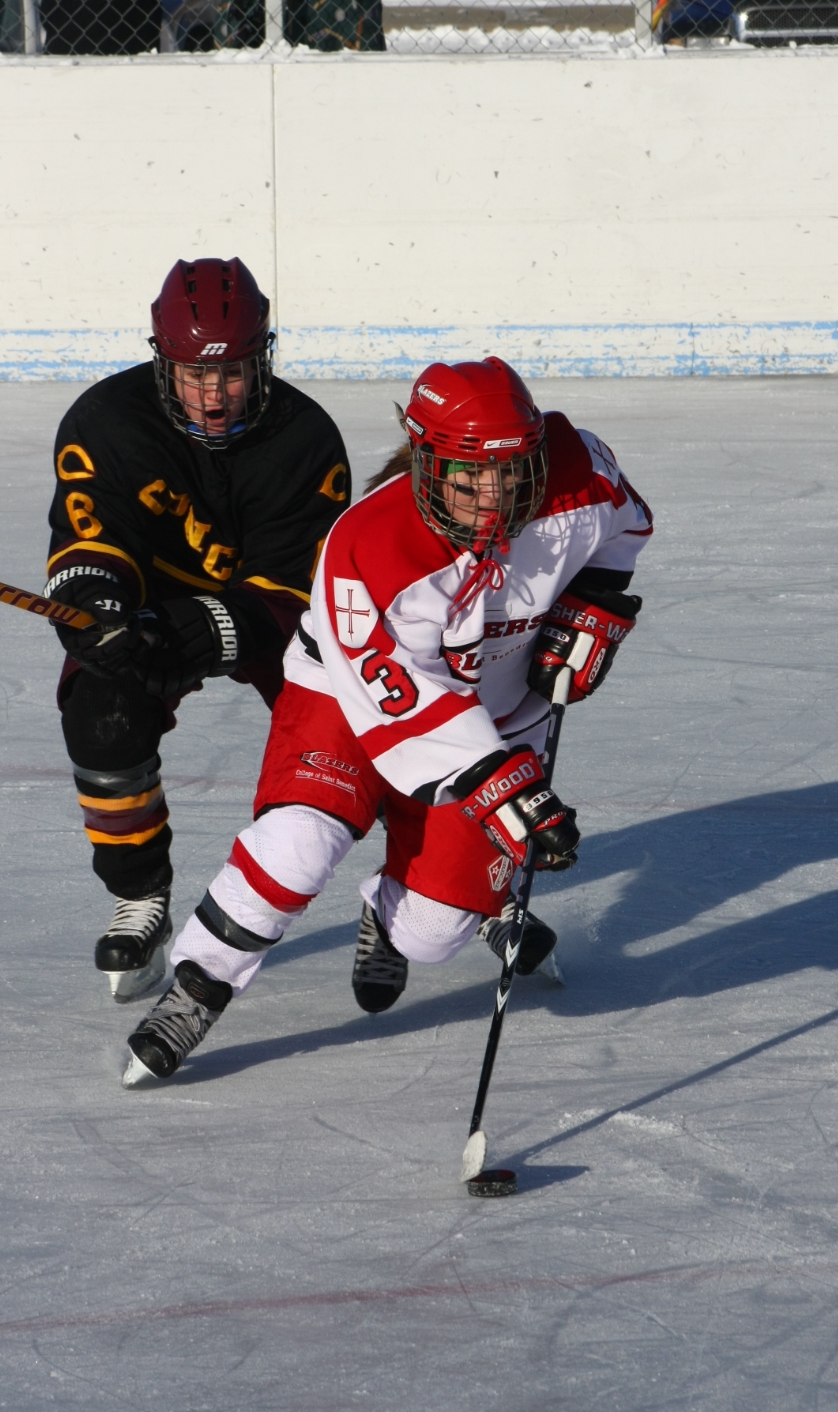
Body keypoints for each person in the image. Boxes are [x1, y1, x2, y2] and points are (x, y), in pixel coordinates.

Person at [120, 357, 653, 1087]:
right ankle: (198, 986)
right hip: (345, 696)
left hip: (498, 717)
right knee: (300, 844)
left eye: (512, 471)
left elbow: (627, 527)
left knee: (431, 937)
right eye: (469, 476)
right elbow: (400, 699)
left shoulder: (577, 472)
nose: (494, 496)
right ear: (427, 460)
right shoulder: (369, 546)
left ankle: (391, 907)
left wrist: (595, 603)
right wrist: (505, 784)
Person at [46, 257, 351, 1000]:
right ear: (162, 363)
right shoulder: (105, 422)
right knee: (102, 715)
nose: (215, 400)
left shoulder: (306, 440)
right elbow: (90, 540)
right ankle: (141, 896)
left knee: (366, 729)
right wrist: (98, 605)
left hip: (272, 615)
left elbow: (293, 591)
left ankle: (453, 884)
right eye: (194, 376)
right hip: (148, 606)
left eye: (235, 374)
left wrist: (210, 625)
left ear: (264, 357)